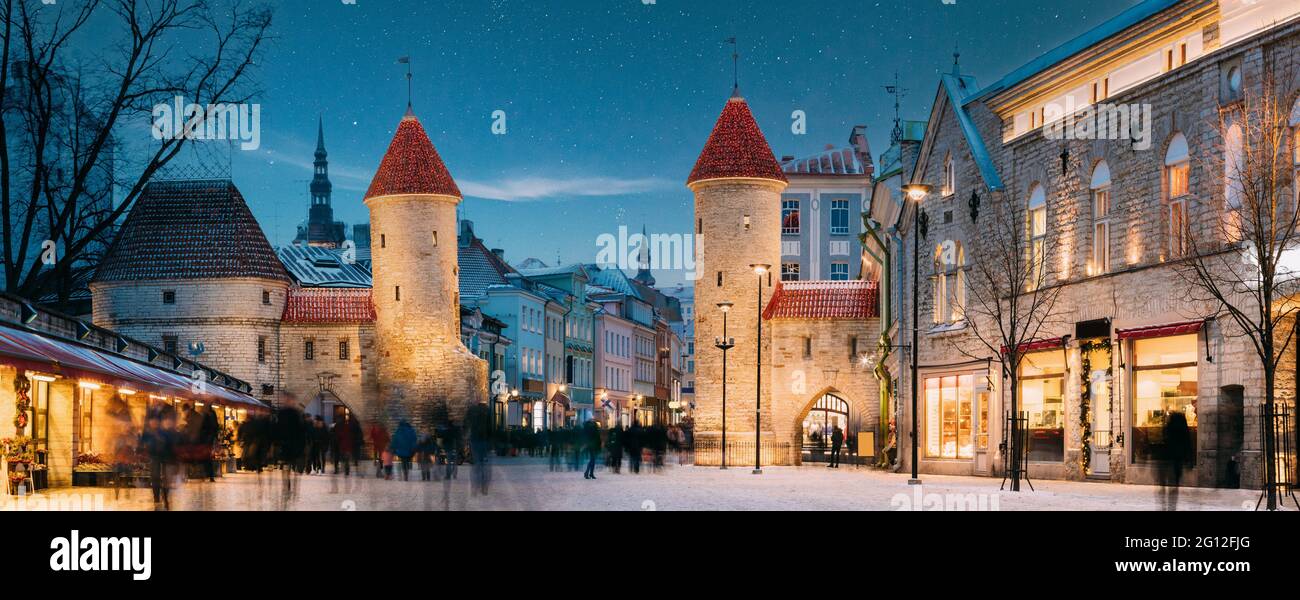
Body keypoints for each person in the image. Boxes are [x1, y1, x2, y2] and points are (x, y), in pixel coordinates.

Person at [1158, 412, 1192, 511]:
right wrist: (1188, 459)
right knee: (1174, 486)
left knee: (1163, 485)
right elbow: (1187, 444)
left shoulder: (1167, 429)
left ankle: (1164, 505)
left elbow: (1162, 443)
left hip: (1166, 459)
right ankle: (1171, 506)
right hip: (1176, 459)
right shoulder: (1183, 431)